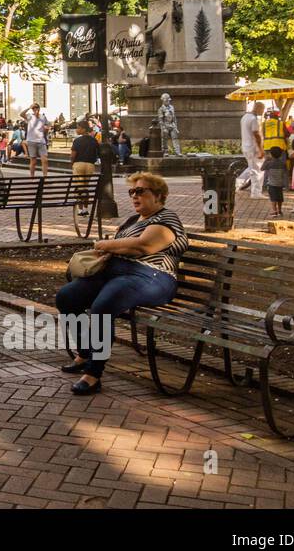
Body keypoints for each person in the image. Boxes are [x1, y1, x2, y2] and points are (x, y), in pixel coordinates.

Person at [56, 172, 187, 395]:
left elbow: (143, 246)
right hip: (116, 272)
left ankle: (93, 374)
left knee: (102, 307)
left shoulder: (166, 219)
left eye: (140, 191)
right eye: (132, 192)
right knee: (67, 297)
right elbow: (125, 246)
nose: (134, 196)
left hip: (151, 277)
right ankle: (85, 352)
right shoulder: (133, 220)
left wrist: (106, 244)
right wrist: (113, 246)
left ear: (158, 195)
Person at [69, 120, 100, 217]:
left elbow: (73, 155)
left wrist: (72, 163)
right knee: (85, 187)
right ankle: (86, 209)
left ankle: (80, 209)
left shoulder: (77, 140)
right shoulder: (93, 140)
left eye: (78, 128)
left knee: (78, 187)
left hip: (79, 164)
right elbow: (97, 152)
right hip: (90, 165)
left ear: (83, 129)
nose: (77, 129)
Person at [236, 102, 266, 198]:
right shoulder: (253, 119)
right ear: (259, 108)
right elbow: (256, 135)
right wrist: (261, 149)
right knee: (258, 170)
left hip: (246, 146)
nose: (263, 111)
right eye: (262, 109)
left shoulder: (245, 117)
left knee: (251, 168)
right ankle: (256, 193)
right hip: (253, 148)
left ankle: (236, 184)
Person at [262, 146, 288, 219]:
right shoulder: (283, 163)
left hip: (271, 184)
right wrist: (286, 185)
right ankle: (279, 210)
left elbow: (262, 168)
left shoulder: (269, 163)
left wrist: (266, 160)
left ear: (271, 154)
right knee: (280, 198)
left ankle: (274, 211)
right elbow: (285, 173)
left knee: (273, 198)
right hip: (280, 184)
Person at [24, 103, 49, 177]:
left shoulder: (43, 117)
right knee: (33, 161)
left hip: (41, 141)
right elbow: (21, 114)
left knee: (45, 160)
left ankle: (45, 177)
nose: (35, 109)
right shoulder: (30, 116)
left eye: (36, 108)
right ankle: (32, 177)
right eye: (33, 108)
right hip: (31, 141)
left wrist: (46, 130)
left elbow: (47, 126)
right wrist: (28, 107)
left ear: (39, 108)